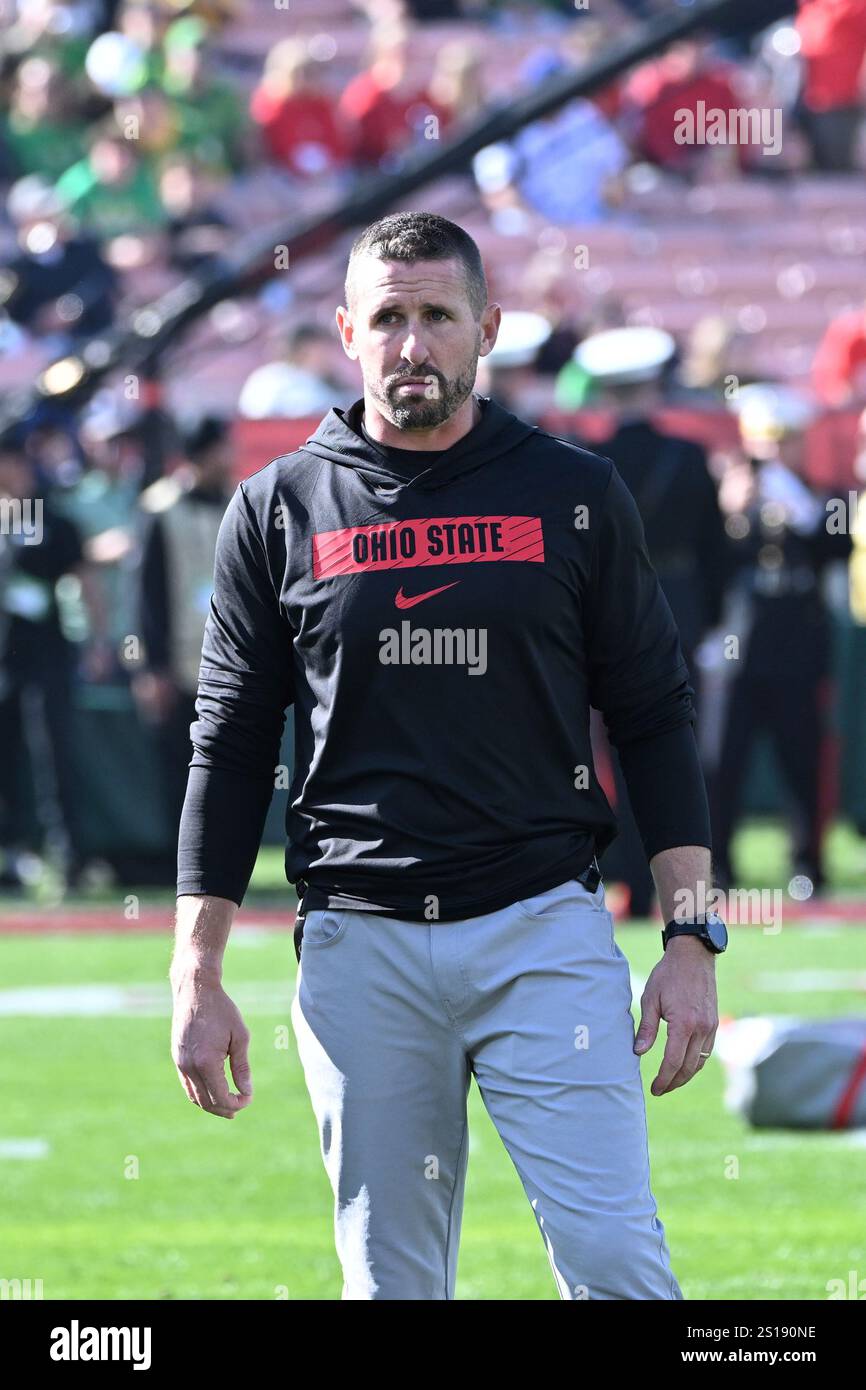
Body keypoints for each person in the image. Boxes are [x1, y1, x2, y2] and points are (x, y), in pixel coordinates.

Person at [170, 211, 724, 1301]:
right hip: (359, 940)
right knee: (392, 1286)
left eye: (437, 315)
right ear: (346, 332)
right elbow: (228, 745)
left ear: (488, 328)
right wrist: (197, 968)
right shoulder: (278, 506)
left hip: (542, 925)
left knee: (616, 1264)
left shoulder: (572, 492)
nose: (412, 343)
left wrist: (692, 933)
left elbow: (654, 716)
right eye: (388, 318)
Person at [573, 326, 727, 918]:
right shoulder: (688, 456)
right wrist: (710, 622)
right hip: (677, 605)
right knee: (671, 746)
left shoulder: (583, 459)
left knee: (607, 754)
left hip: (603, 613)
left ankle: (628, 881)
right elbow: (715, 551)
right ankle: (689, 886)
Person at [710, 383, 852, 897]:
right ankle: (719, 866)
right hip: (740, 642)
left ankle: (807, 863)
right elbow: (712, 558)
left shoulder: (822, 498)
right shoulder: (730, 491)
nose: (771, 453)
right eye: (764, 441)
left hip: (797, 642)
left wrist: (799, 506)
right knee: (725, 759)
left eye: (782, 441)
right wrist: (729, 513)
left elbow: (835, 545)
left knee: (801, 756)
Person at [133, 415, 233, 878]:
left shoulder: (238, 502)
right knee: (180, 767)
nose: (229, 458)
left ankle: (222, 863)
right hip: (177, 662)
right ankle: (184, 868)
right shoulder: (160, 507)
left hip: (230, 659)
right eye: (221, 449)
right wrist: (149, 668)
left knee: (227, 767)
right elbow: (145, 594)